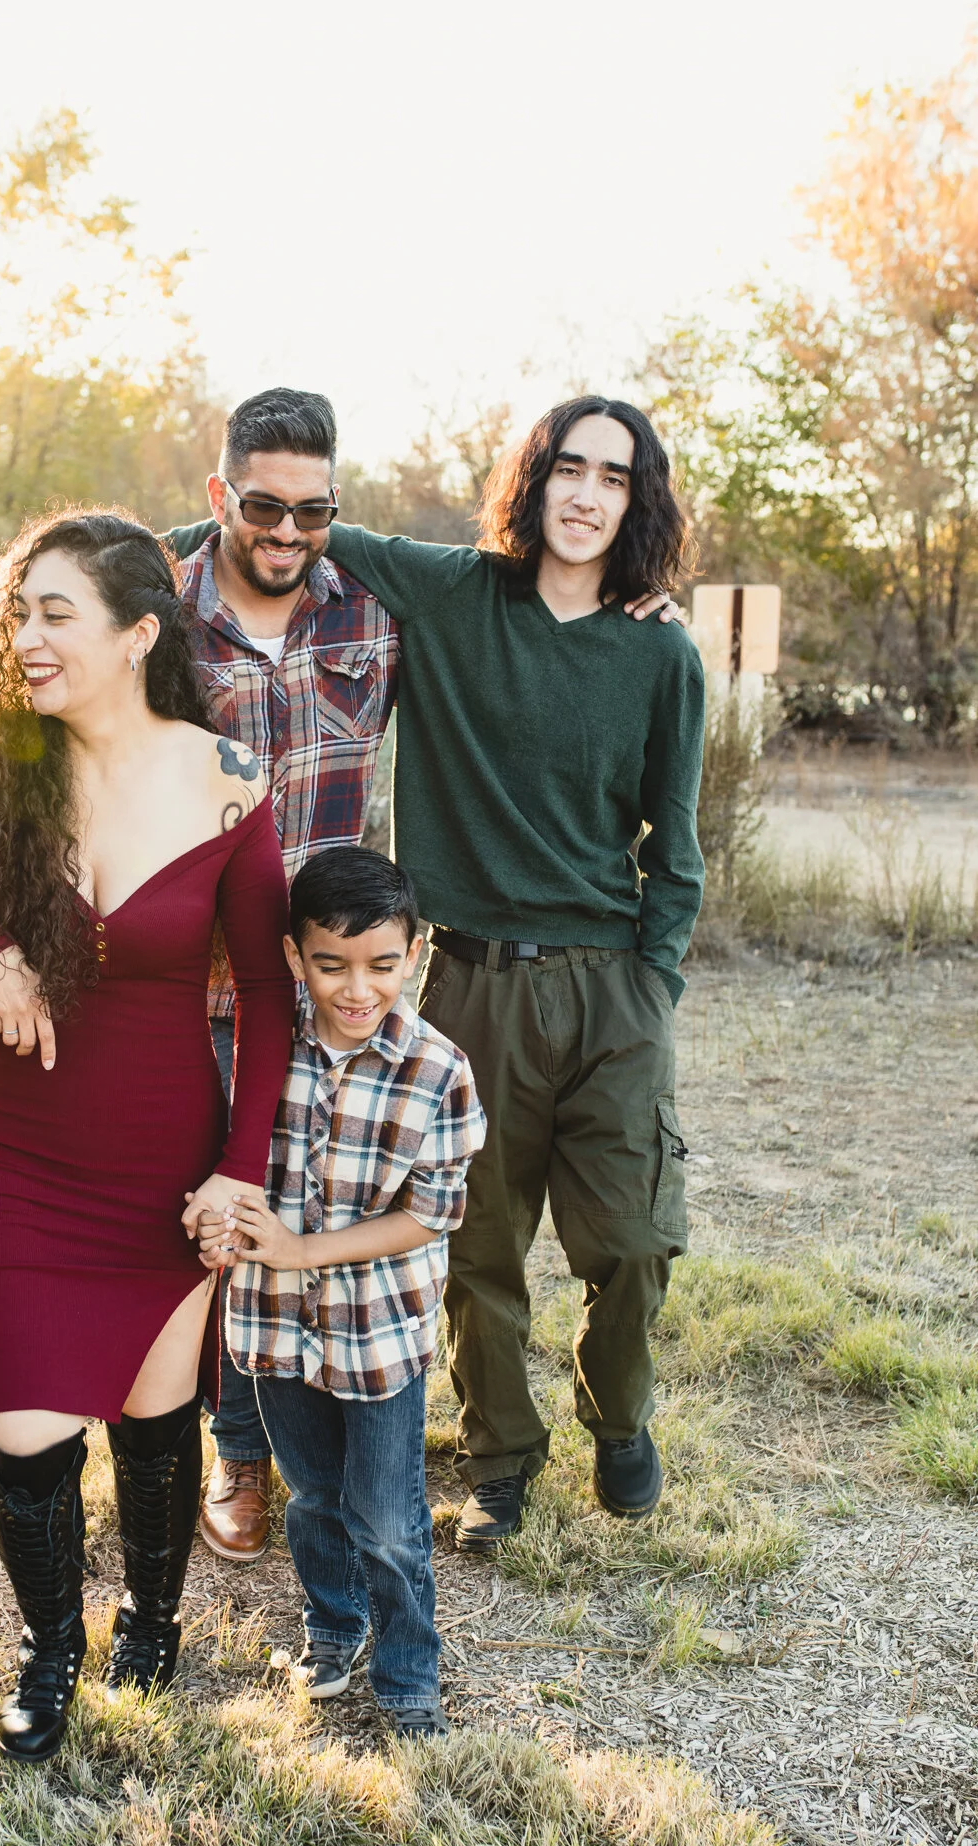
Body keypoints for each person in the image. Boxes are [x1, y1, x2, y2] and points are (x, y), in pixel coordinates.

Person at [0, 510, 295, 1764]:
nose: (27, 636)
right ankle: (50, 1644)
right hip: (10, 1147)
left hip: (167, 1154)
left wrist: (241, 1165)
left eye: (56, 612)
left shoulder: (227, 781)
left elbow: (267, 995)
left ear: (137, 633)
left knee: (156, 1416)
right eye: (18, 612)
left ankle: (152, 1622)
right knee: (21, 1425)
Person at [313, 397, 704, 1548]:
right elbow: (291, 532)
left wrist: (653, 984)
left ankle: (617, 1414)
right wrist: (132, 562)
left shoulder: (658, 651)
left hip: (608, 985)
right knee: (476, 1246)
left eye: (614, 478)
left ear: (637, 502)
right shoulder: (452, 593)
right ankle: (500, 1464)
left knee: (630, 1241)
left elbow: (673, 844)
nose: (586, 494)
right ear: (531, 483)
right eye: (567, 468)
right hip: (472, 981)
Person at [159, 388, 398, 1565]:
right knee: (206, 1221)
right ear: (221, 497)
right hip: (179, 981)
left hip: (323, 989)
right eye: (263, 504)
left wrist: (627, 592)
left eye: (314, 508)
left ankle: (314, 1455)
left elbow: (525, 604)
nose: (288, 530)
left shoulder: (373, 619)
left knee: (304, 1220)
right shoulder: (148, 603)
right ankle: (232, 1451)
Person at [201, 847, 484, 1738]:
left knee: (389, 1518)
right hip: (275, 1332)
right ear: (293, 957)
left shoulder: (438, 1070)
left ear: (417, 954)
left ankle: (408, 1671)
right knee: (312, 1495)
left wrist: (299, 1249)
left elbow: (430, 1216)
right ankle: (334, 1625)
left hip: (379, 1338)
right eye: (330, 965)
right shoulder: (258, 1052)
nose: (356, 987)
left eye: (381, 965)